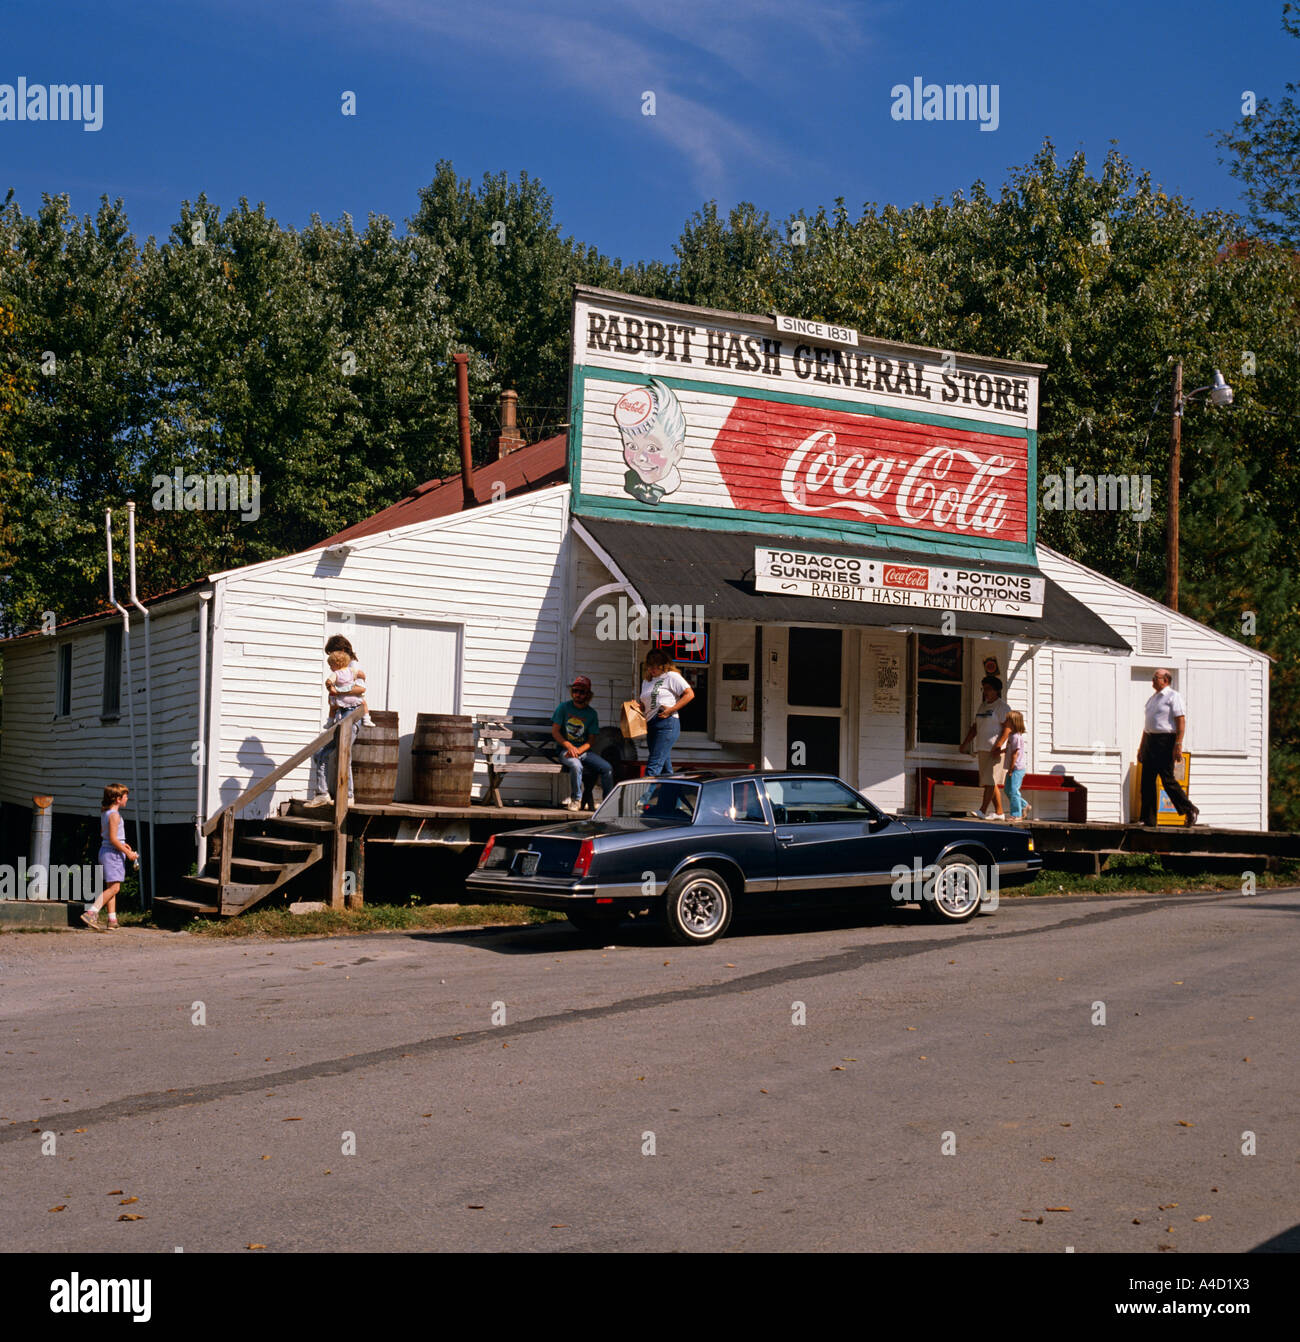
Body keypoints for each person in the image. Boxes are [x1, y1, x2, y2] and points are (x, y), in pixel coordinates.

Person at [309, 635, 367, 804]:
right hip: (341, 713)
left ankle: (347, 796)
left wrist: (338, 692)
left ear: (341, 651)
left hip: (351, 714)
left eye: (332, 654)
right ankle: (323, 793)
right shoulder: (339, 670)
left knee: (342, 753)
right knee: (322, 753)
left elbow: (361, 689)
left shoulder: (353, 666)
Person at [1137, 669, 1200, 826]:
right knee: (1147, 782)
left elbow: (1180, 721)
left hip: (1165, 741)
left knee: (1167, 780)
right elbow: (1148, 726)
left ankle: (1189, 809)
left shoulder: (1173, 696)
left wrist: (1178, 744)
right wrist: (1141, 747)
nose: (1153, 680)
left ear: (1165, 680)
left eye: (1156, 677)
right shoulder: (1153, 699)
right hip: (1150, 741)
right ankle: (1148, 819)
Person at [551, 675, 614, 811]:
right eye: (575, 691)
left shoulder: (591, 714)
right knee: (576, 765)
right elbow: (555, 732)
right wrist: (569, 746)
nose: (577, 694)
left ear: (588, 694)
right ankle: (576, 800)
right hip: (565, 750)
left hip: (584, 752)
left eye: (581, 692)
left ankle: (607, 804)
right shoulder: (563, 708)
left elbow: (591, 740)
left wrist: (579, 751)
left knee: (607, 768)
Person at [81, 783, 136, 932]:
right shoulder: (114, 815)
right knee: (115, 888)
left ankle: (112, 919)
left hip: (106, 852)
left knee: (111, 887)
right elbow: (113, 838)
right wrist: (128, 853)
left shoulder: (105, 813)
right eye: (125, 796)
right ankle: (91, 913)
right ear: (118, 799)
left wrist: (124, 845)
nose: (127, 799)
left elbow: (110, 837)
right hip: (113, 854)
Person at [960, 676, 1011, 820]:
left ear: (996, 690)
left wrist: (999, 744)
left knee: (990, 780)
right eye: (984, 688)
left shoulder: (1002, 707)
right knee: (988, 781)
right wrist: (965, 743)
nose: (986, 692)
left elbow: (1008, 728)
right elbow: (975, 727)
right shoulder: (983, 706)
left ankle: (982, 810)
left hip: (995, 750)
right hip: (982, 748)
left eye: (988, 689)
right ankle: (1000, 812)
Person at [639, 649, 694, 777]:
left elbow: (689, 694)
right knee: (665, 769)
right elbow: (646, 703)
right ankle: (674, 797)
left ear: (664, 665)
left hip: (667, 723)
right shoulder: (647, 681)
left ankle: (642, 797)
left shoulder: (671, 676)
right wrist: (639, 706)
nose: (652, 670)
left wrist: (671, 709)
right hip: (651, 723)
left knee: (653, 765)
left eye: (656, 666)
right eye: (650, 666)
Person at [326, 649, 375, 727]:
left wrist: (330, 687)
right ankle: (366, 720)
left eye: (331, 665)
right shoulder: (351, 670)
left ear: (337, 664)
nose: (330, 668)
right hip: (353, 698)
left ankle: (330, 722)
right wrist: (363, 677)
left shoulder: (335, 674)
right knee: (364, 703)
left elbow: (328, 682)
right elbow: (360, 674)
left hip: (341, 698)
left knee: (332, 708)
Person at [1002, 710, 1031, 821]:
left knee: (1014, 790)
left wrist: (1011, 768)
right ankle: (1024, 805)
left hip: (1016, 768)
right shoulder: (1011, 735)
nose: (1005, 722)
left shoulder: (1016, 737)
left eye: (1007, 720)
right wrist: (1001, 751)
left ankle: (1016, 814)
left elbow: (1015, 754)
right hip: (1013, 768)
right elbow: (1010, 750)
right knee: (1007, 790)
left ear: (1013, 722)